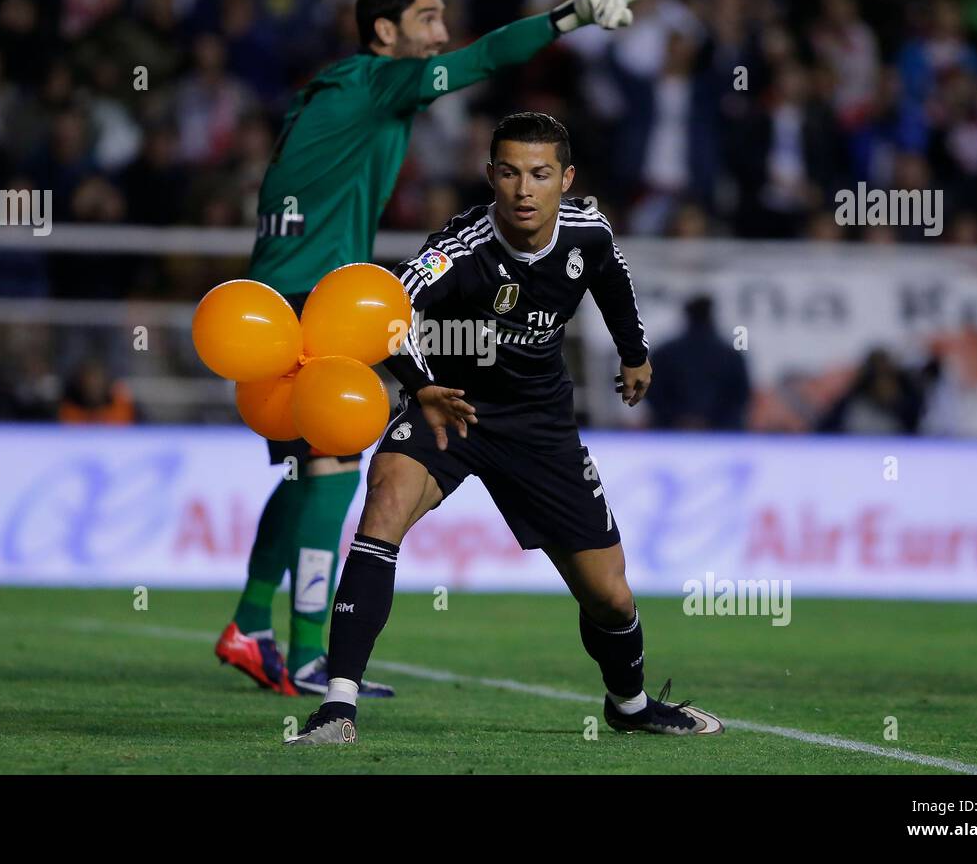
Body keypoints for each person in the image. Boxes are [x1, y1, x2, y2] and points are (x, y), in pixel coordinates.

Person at [217, 0, 658, 698]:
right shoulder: (374, 81)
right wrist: (571, 16)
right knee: (331, 466)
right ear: (386, 32)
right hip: (308, 302)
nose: (441, 35)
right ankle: (303, 658)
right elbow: (482, 60)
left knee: (306, 468)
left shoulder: (333, 94)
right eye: (428, 18)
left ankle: (253, 625)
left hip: (277, 296)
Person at [284, 112, 723, 744]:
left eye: (540, 175)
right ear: (490, 175)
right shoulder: (457, 250)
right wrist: (420, 387)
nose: (524, 189)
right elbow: (382, 314)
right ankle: (337, 709)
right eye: (510, 173)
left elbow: (611, 276)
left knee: (611, 598)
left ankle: (629, 706)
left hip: (540, 425)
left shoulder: (587, 233)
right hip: (451, 407)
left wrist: (634, 352)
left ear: (565, 179)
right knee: (381, 510)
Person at [645, 294, 751, 431]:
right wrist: (712, 421)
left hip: (671, 435)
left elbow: (652, 392)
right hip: (720, 436)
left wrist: (678, 419)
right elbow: (740, 396)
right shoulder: (731, 355)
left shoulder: (664, 353)